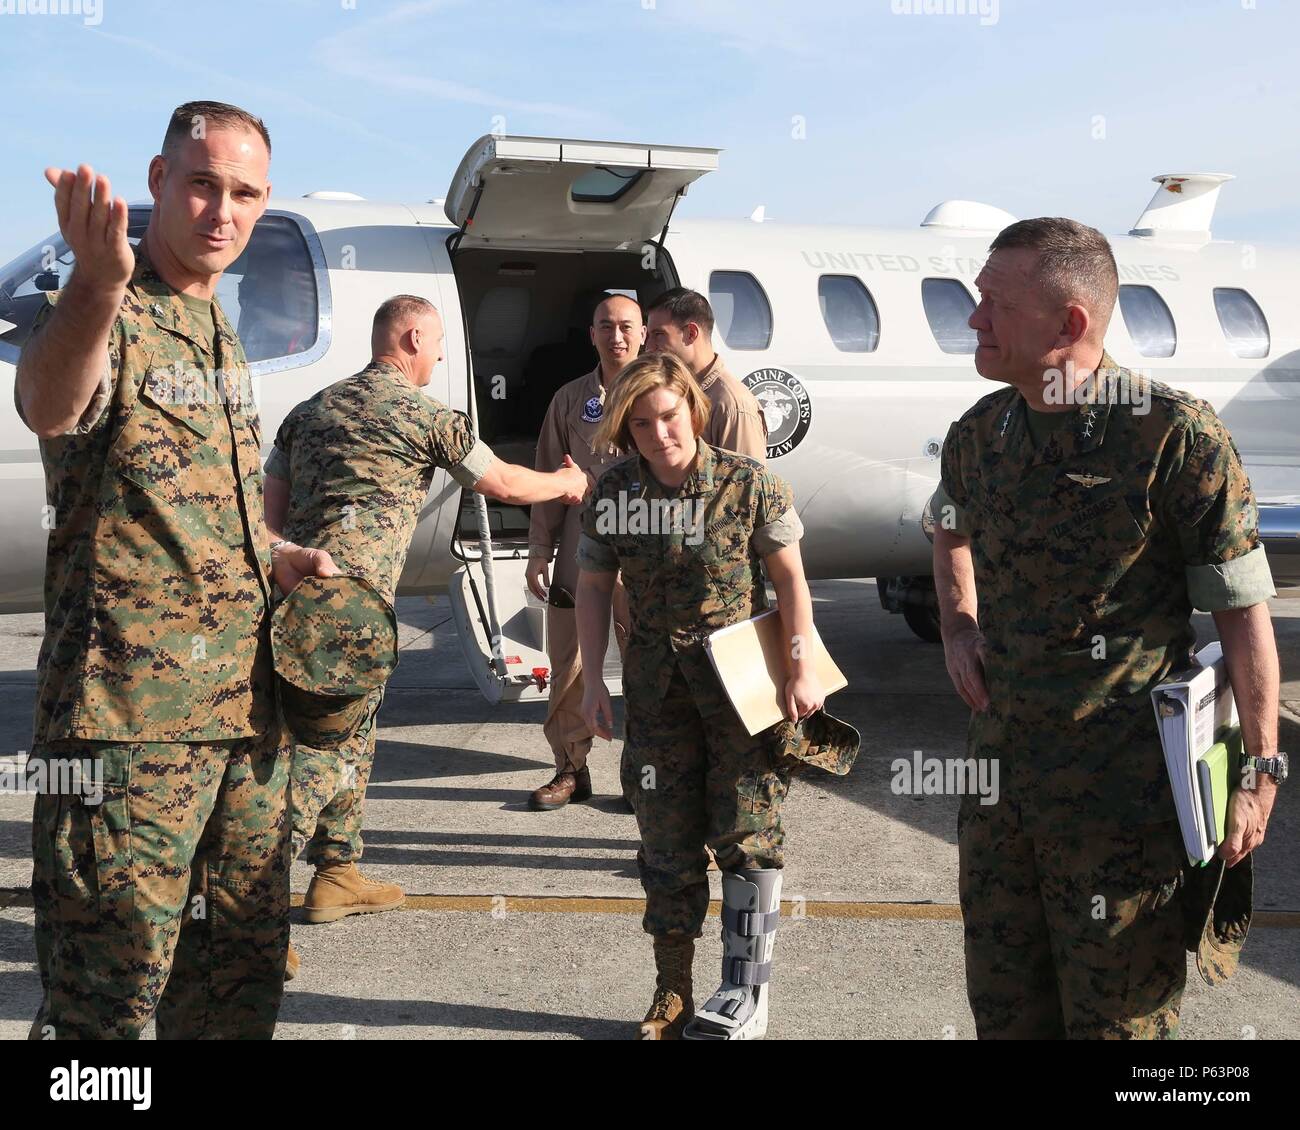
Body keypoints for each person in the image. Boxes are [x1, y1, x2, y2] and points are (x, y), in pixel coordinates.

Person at [15, 100, 338, 1039]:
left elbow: (202, 511)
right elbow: (46, 401)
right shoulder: (111, 312)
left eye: (244, 194)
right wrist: (95, 283)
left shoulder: (220, 333)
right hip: (128, 736)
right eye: (202, 185)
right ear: (158, 183)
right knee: (104, 1004)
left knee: (235, 988)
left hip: (247, 721)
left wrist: (279, 559)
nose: (222, 212)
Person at [932, 216, 1284, 1039]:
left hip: (1122, 808)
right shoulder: (980, 435)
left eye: (993, 304)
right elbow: (945, 525)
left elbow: (1242, 612)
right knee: (1007, 1017)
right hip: (1001, 797)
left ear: (1070, 323)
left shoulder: (1173, 436)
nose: (975, 320)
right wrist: (958, 626)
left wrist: (1260, 770)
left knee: (1118, 1026)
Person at [264, 295, 586, 941]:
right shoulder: (425, 415)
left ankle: (337, 873)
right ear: (412, 337)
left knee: (343, 737)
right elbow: (501, 484)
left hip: (295, 603)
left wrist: (291, 558)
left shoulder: (309, 411)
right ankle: (248, 910)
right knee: (319, 757)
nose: (440, 356)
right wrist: (566, 483)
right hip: (351, 614)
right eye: (438, 343)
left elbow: (269, 509)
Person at [576, 352, 821, 1040]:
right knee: (666, 848)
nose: (661, 433)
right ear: (628, 427)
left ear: (694, 410)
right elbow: (592, 589)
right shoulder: (614, 492)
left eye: (670, 416)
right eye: (644, 422)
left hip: (743, 692)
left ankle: (745, 991)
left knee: (748, 836)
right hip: (656, 698)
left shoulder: (749, 485)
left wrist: (800, 667)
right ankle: (672, 991)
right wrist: (593, 680)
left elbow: (793, 581)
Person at [525, 293, 644, 810]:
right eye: (605, 327)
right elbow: (549, 476)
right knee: (568, 658)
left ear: (642, 333)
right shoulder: (570, 400)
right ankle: (571, 768)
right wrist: (538, 553)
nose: (615, 336)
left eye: (625, 327)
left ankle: (648, 775)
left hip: (646, 545)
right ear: (591, 334)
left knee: (648, 660)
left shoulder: (665, 395)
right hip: (583, 543)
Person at [644, 287, 768, 461]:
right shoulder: (676, 391)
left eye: (659, 335)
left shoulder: (731, 404)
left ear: (691, 333)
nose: (649, 347)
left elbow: (749, 483)